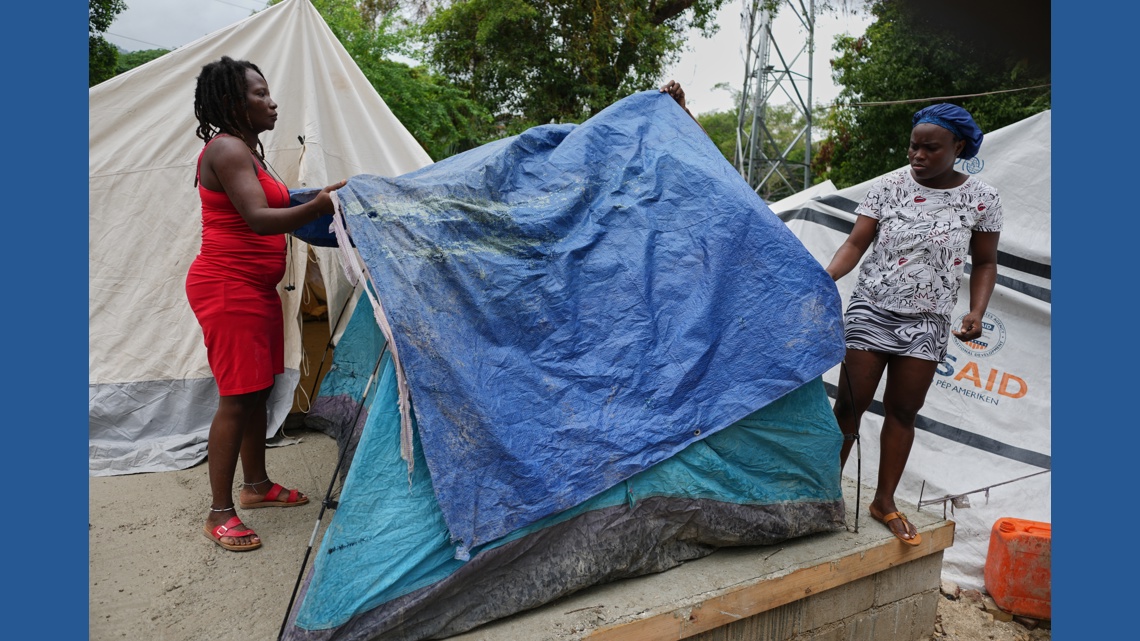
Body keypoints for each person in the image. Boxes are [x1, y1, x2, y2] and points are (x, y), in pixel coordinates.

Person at [187, 56, 347, 552]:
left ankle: (255, 486)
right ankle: (219, 512)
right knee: (237, 398)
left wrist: (318, 197)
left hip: (253, 290)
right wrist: (320, 207)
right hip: (226, 287)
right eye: (259, 94)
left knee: (256, 391)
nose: (271, 101)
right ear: (233, 102)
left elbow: (277, 203)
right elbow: (259, 219)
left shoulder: (249, 152)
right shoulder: (229, 149)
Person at [825, 103, 1002, 545]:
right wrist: (824, 279)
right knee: (850, 405)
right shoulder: (888, 188)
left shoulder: (983, 199)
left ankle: (884, 501)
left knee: (904, 412)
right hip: (872, 310)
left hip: (928, 321)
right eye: (913, 145)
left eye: (930, 147)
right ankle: (821, 494)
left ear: (958, 147)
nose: (917, 155)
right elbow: (855, 243)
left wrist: (976, 310)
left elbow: (985, 262)